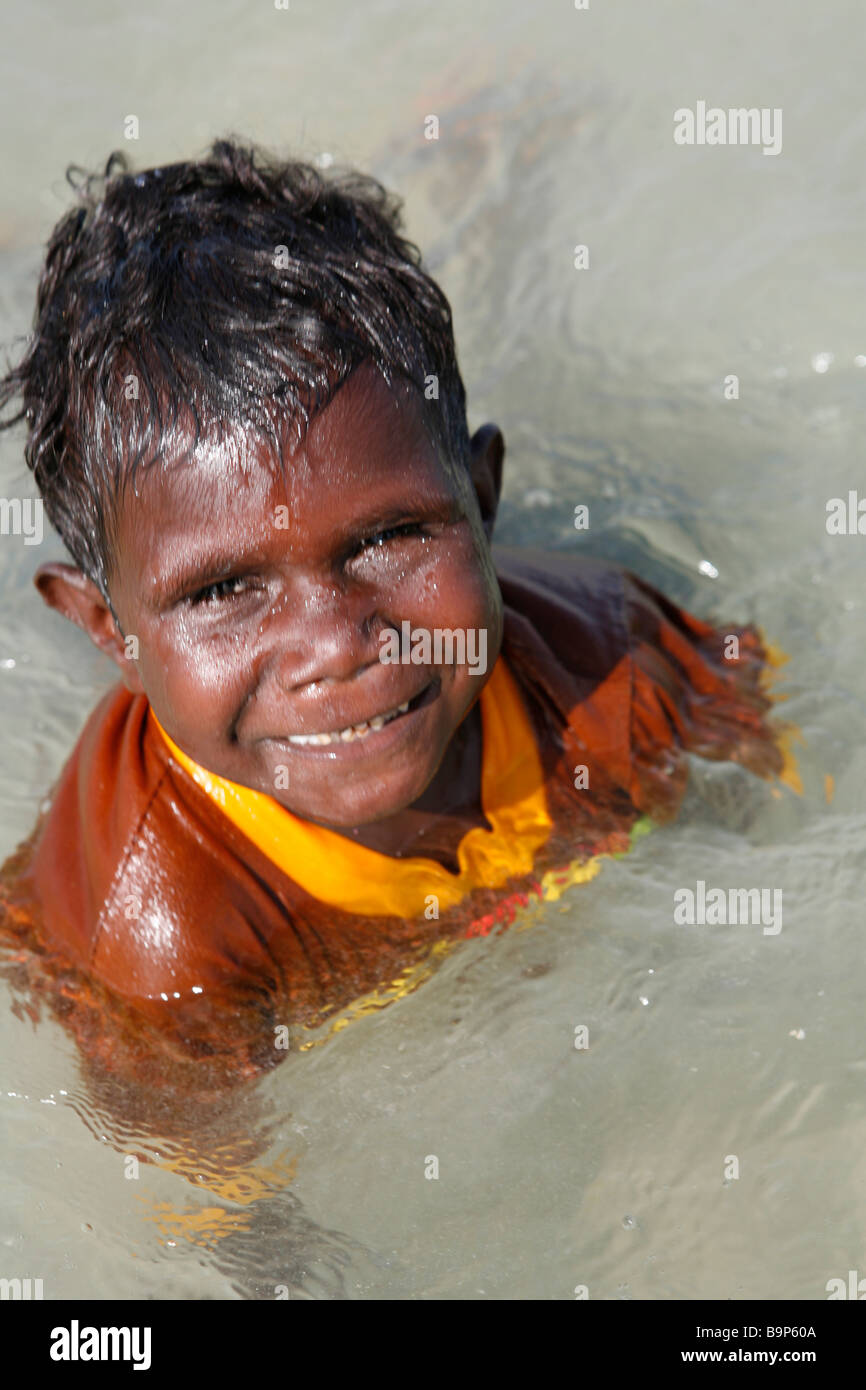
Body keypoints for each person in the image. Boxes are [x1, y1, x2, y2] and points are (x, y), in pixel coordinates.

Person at [0, 139, 796, 1084]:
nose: (336, 647)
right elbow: (228, 1223)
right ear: (106, 632)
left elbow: (790, 838)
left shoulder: (618, 663)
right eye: (221, 590)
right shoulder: (162, 952)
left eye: (391, 537)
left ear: (485, 499)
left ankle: (485, 159)